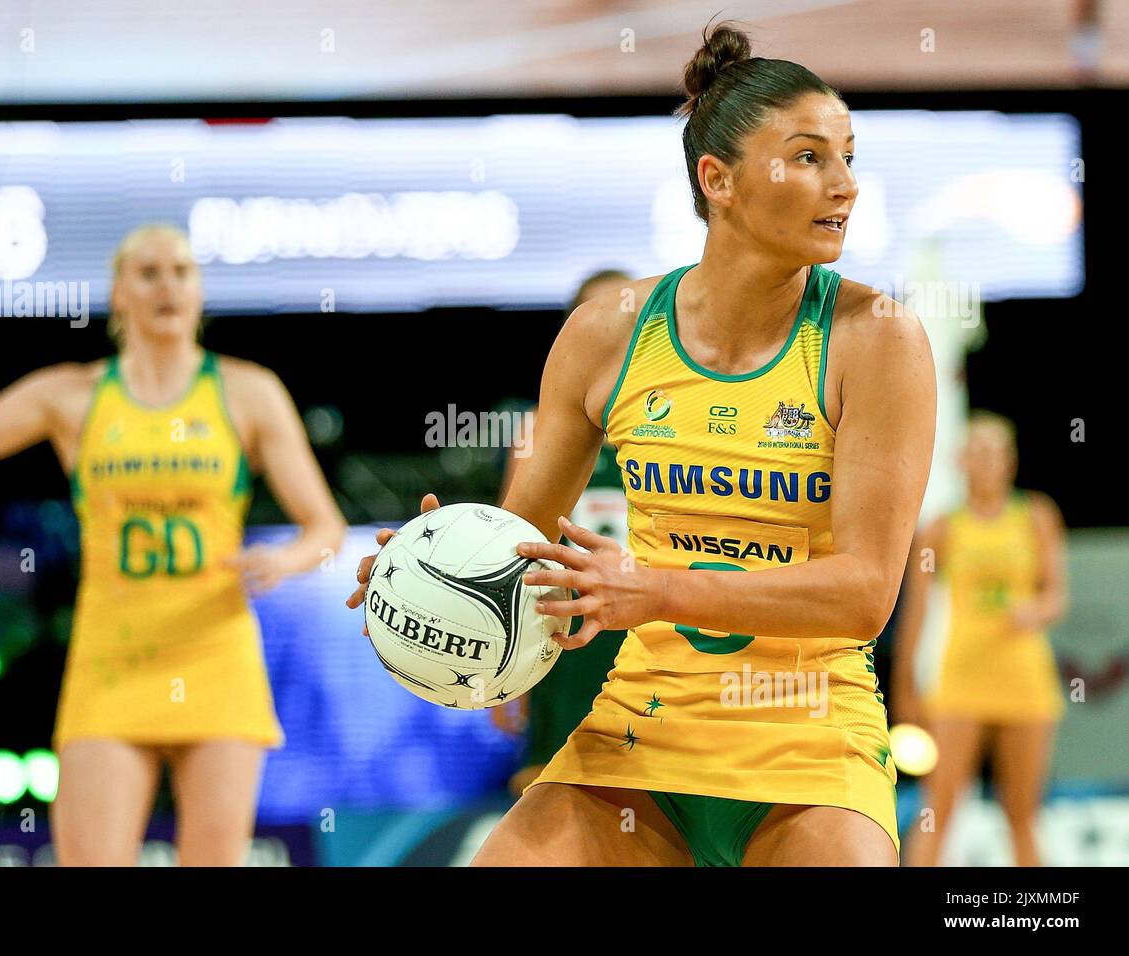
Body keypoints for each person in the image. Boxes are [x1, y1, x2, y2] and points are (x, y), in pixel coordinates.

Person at [350, 23, 936, 866]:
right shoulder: (607, 334)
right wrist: (433, 572)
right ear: (719, 179)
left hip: (812, 744)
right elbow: (523, 546)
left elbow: (863, 595)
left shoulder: (877, 338)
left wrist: (655, 589)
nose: (844, 184)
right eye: (809, 157)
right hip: (637, 741)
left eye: (848, 156)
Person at [0, 224, 346, 865]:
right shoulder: (72, 394)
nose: (167, 286)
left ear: (199, 291)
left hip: (215, 654)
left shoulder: (248, 391)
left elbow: (323, 528)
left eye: (181, 272)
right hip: (111, 663)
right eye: (148, 273)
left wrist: (284, 559)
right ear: (118, 294)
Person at [893, 412, 1067, 866]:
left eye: (995, 452)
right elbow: (917, 608)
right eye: (977, 452)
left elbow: (1055, 596)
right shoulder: (942, 529)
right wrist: (906, 680)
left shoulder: (1036, 516)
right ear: (960, 461)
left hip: (1025, 678)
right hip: (961, 679)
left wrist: (1034, 610)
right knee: (940, 807)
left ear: (1010, 461)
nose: (986, 461)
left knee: (1022, 813)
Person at [491, 270, 633, 795]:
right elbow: (514, 543)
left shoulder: (682, 421)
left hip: (654, 631)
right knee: (554, 791)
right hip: (569, 637)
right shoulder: (539, 430)